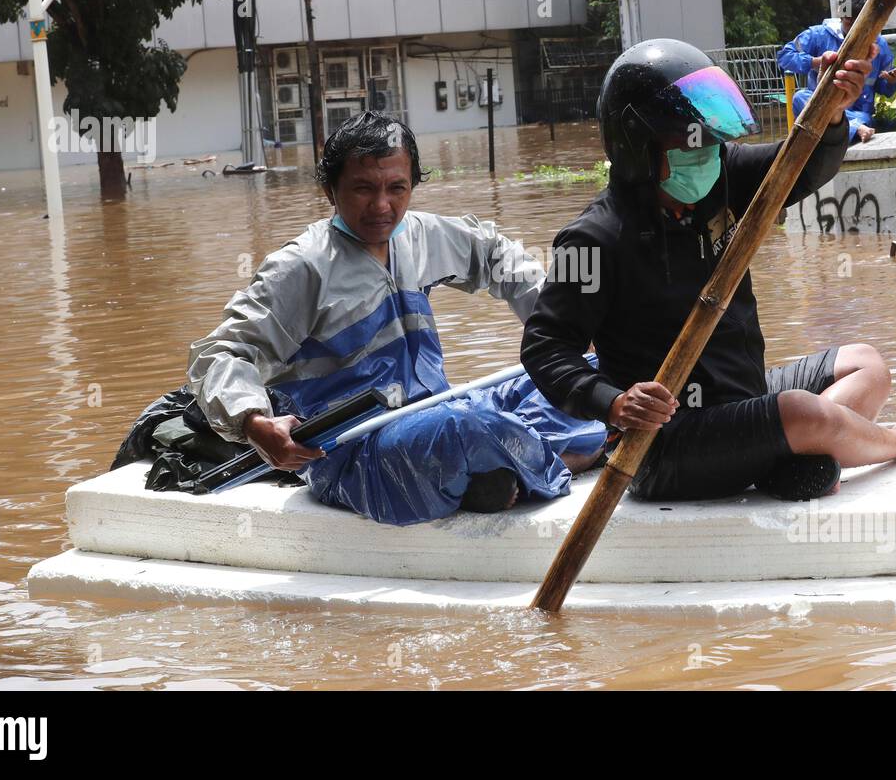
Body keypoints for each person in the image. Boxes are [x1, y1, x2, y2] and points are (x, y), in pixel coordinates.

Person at [521, 38, 896, 504]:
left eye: (712, 145)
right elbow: (546, 346)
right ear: (638, 148)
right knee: (799, 410)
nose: (707, 157)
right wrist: (613, 402)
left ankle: (787, 455)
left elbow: (799, 166)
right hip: (666, 445)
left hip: (740, 394)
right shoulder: (593, 238)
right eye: (690, 147)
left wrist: (833, 108)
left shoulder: (720, 177)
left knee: (867, 364)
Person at [186, 111, 606, 524]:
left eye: (397, 188)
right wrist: (255, 421)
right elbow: (221, 354)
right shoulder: (302, 267)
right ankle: (555, 459)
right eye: (363, 189)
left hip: (440, 412)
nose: (382, 206)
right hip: (361, 455)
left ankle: (501, 467)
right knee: (465, 427)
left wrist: (556, 332)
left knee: (588, 370)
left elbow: (498, 255)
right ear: (330, 191)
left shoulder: (420, 235)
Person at [777, 0, 896, 145]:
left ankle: (854, 126)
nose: (854, 30)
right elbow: (784, 56)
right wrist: (817, 62)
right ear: (843, 19)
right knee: (800, 98)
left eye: (860, 25)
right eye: (849, 23)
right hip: (820, 105)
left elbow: (886, 91)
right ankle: (855, 128)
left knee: (865, 118)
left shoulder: (879, 44)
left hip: (859, 113)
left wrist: (891, 81)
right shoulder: (818, 35)